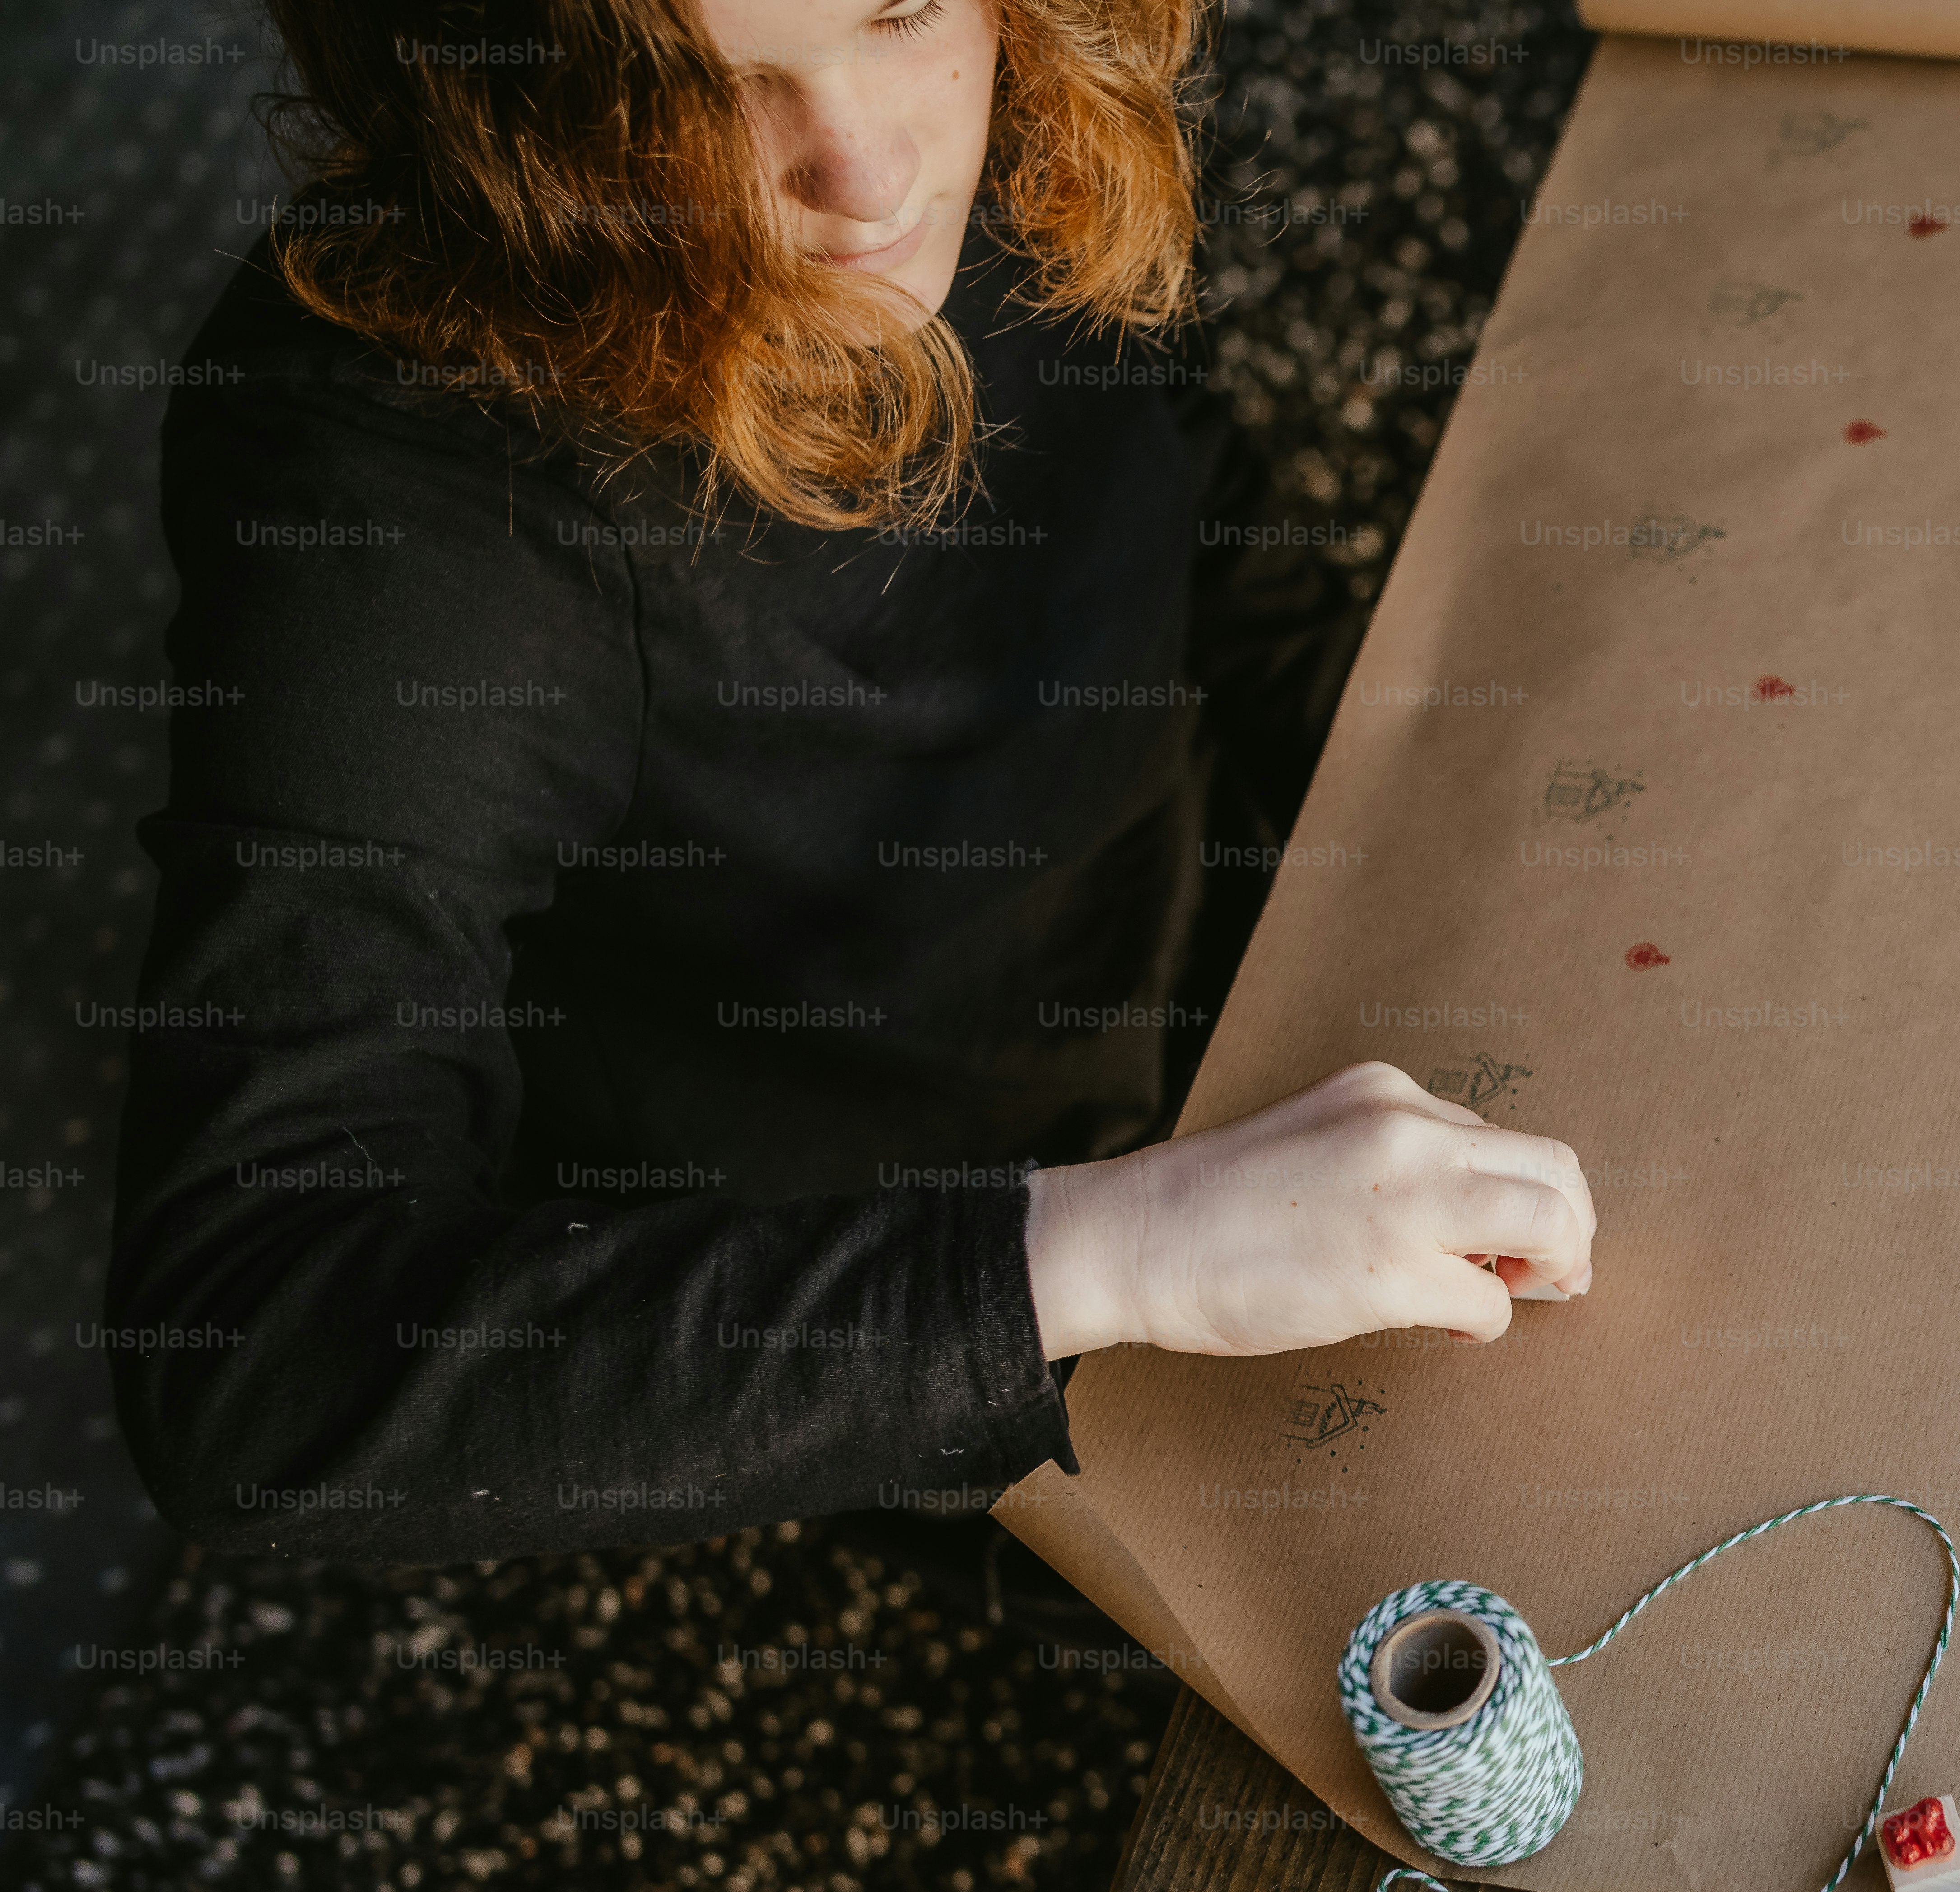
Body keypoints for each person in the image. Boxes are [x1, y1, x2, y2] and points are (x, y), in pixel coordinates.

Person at [107, 0, 1594, 1563]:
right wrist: (1120, 1252)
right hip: (903, 1298)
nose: (870, 177)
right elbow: (247, 1366)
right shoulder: (392, 478)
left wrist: (1432, 771)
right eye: (701, 86)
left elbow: (1172, 468)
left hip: (1231, 996)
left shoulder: (1025, 79)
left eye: (898, 9)